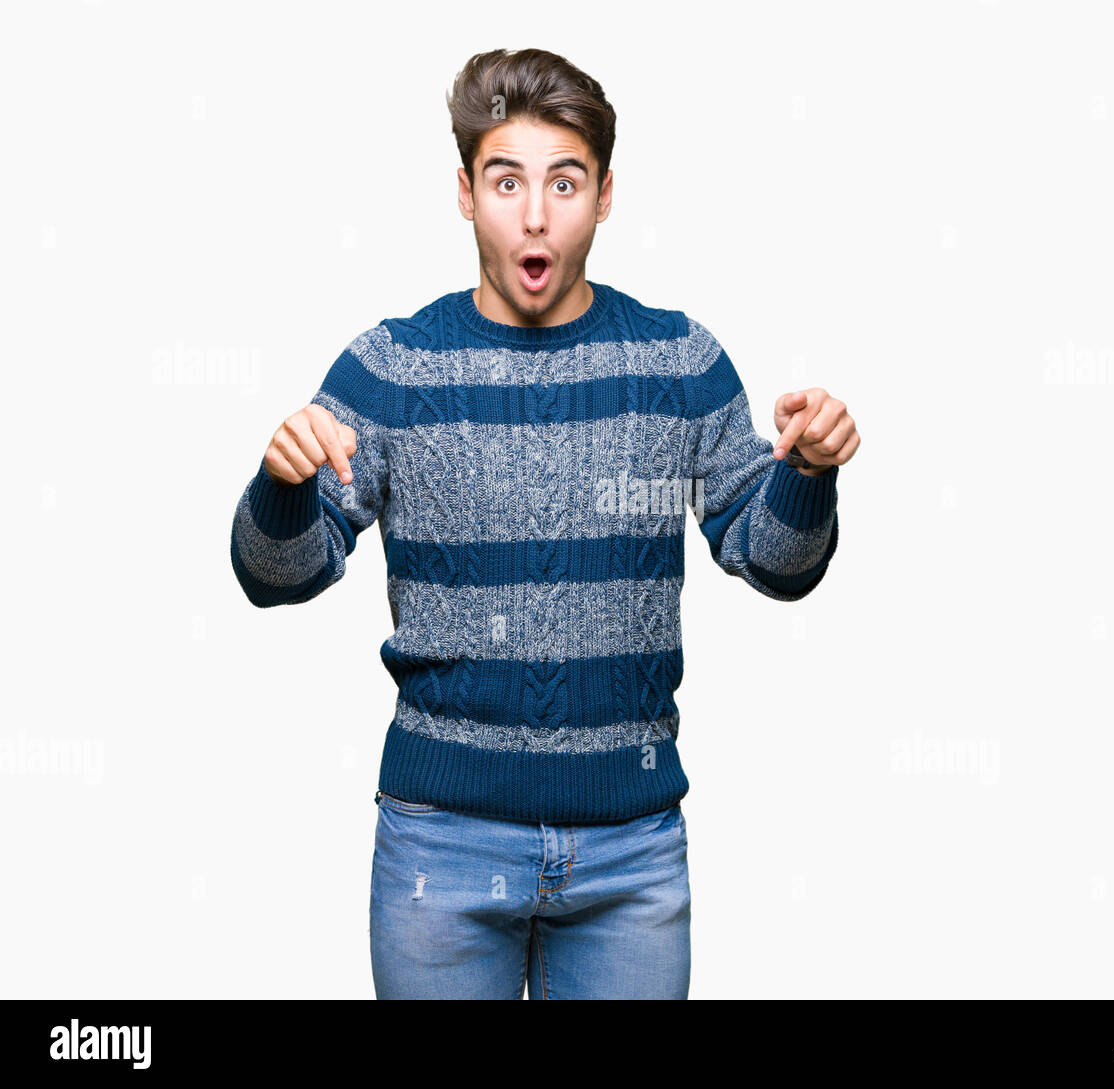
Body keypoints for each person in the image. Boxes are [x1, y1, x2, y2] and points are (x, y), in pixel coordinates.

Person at [229, 47, 859, 1000]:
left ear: (605, 195)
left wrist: (806, 473)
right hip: (440, 845)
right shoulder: (395, 368)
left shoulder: (678, 361)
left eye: (564, 182)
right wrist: (280, 485)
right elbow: (276, 573)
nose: (534, 214)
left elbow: (771, 562)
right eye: (506, 179)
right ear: (464, 191)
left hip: (630, 857)